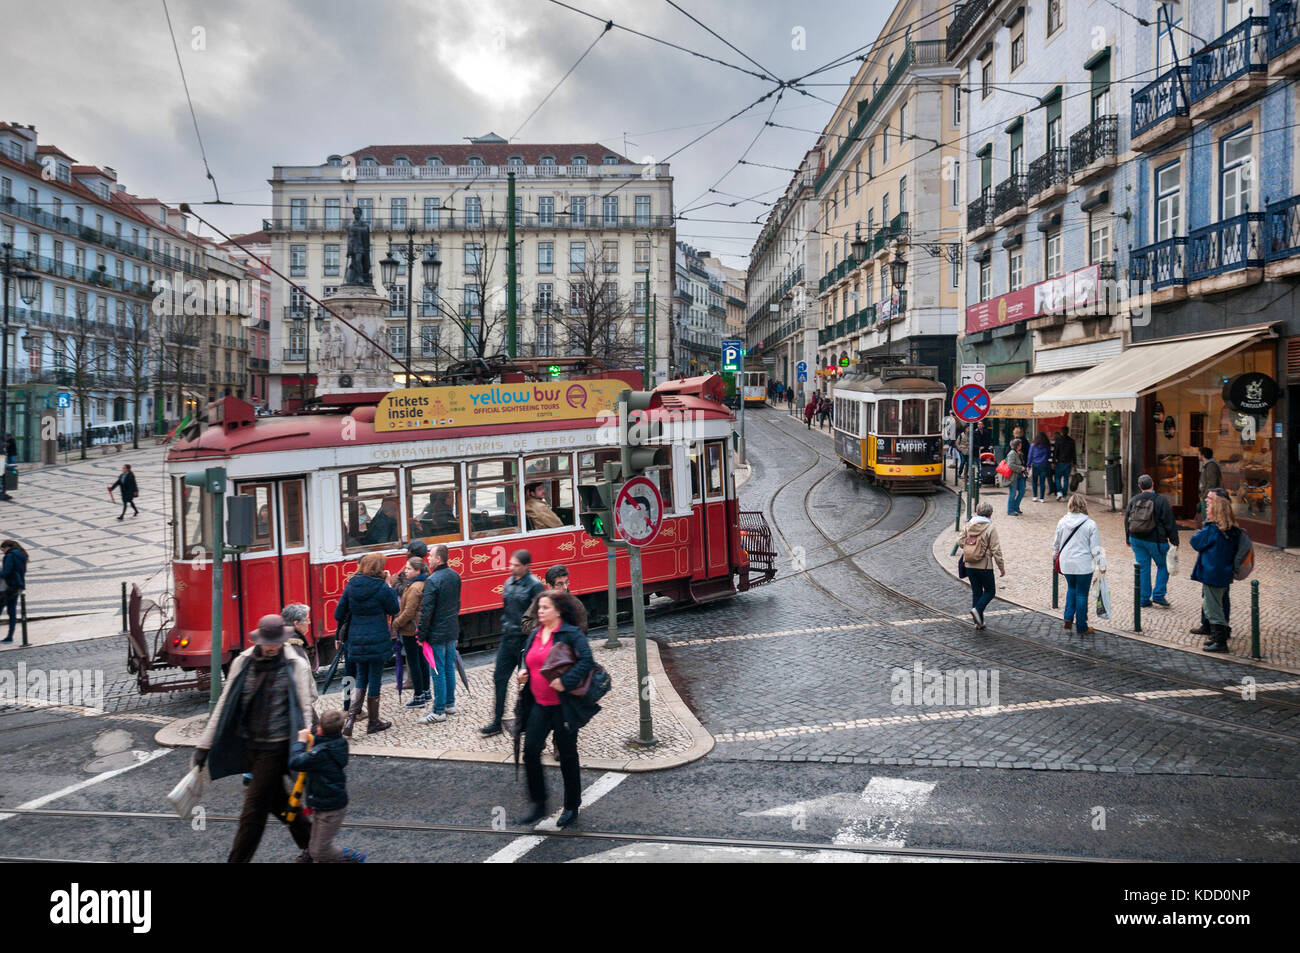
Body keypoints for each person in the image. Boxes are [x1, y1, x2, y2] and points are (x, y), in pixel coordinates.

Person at [192, 614, 318, 863]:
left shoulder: (296, 665)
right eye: (268, 641)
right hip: (251, 747)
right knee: (278, 803)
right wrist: (203, 746)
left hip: (278, 748)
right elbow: (225, 704)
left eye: (276, 641)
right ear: (259, 639)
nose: (272, 646)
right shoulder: (243, 662)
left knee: (252, 813)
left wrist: (305, 744)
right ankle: (316, 848)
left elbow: (305, 708)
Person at [515, 590, 598, 828]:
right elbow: (527, 659)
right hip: (539, 705)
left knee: (567, 755)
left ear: (558, 611)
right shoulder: (535, 634)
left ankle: (572, 805)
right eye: (539, 608)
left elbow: (586, 661)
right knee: (530, 751)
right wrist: (524, 673)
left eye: (545, 608)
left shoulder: (570, 634)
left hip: (563, 706)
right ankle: (539, 803)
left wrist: (566, 681)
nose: (540, 612)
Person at [333, 553, 400, 736]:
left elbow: (339, 613)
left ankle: (350, 721)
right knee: (375, 679)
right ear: (378, 568)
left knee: (361, 677)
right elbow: (394, 609)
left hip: (356, 638)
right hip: (377, 639)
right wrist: (388, 585)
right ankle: (373, 722)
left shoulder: (352, 585)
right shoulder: (381, 587)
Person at [288, 709, 365, 863]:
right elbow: (321, 744)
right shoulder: (338, 743)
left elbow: (295, 762)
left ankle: (351, 856)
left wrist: (301, 742)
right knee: (314, 843)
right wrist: (313, 736)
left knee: (319, 851)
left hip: (329, 809)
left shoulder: (319, 754)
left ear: (320, 729)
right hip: (324, 803)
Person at [483, 550, 545, 736]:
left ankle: (526, 720)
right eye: (511, 564)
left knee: (527, 683)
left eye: (516, 565)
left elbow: (538, 616)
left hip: (524, 640)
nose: (511, 568)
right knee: (499, 679)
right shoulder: (508, 582)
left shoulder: (535, 586)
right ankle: (497, 720)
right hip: (507, 638)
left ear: (526, 566)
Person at [1191, 493, 1242, 653]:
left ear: (1216, 511)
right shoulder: (1233, 530)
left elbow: (1195, 542)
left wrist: (1206, 526)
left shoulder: (1213, 530)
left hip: (1212, 573)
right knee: (1218, 604)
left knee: (1212, 607)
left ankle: (1220, 642)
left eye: (1210, 509)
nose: (1207, 511)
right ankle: (1216, 636)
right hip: (1224, 573)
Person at [416, 543, 461, 723]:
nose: (428, 558)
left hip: (436, 632)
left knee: (437, 670)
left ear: (439, 559)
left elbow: (426, 612)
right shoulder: (455, 576)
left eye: (431, 556)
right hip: (451, 628)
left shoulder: (433, 581)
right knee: (449, 667)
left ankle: (438, 711)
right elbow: (457, 604)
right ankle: (450, 704)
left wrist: (421, 635)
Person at [1054, 493, 1106, 636]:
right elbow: (1096, 548)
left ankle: (1068, 617)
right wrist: (1102, 565)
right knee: (1082, 594)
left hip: (1066, 563)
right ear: (1084, 506)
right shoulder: (1090, 524)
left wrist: (1055, 557)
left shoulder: (1062, 521)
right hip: (1083, 564)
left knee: (1072, 588)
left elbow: (1056, 543)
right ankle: (1082, 626)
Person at [1125, 474, 1178, 609]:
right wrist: (1174, 541)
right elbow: (1169, 522)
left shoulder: (1133, 500)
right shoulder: (1161, 500)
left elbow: (1127, 520)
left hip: (1136, 538)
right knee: (1164, 565)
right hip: (1156, 540)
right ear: (1153, 484)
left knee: (1143, 568)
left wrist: (1128, 538)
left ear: (1139, 487)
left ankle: (1143, 598)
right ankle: (1158, 595)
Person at [958, 501, 1005, 629]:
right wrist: (1001, 567)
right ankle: (977, 610)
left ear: (977, 512)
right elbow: (996, 549)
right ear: (990, 514)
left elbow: (960, 541)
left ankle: (978, 622)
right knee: (990, 591)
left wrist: (970, 547)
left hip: (969, 564)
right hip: (984, 565)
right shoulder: (990, 528)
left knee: (976, 592)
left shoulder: (969, 525)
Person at [392, 556, 430, 707]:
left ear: (417, 571)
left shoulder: (414, 588)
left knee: (414, 663)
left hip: (410, 630)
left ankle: (419, 695)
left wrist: (396, 623)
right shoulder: (420, 584)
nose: (405, 571)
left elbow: (409, 612)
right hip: (416, 628)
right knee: (422, 661)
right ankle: (426, 692)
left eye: (408, 569)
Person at [0, 540, 27, 643]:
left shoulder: (10, 555)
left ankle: (9, 637)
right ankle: (10, 636)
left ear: (7, 547)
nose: (3, 552)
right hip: (18, 586)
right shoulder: (22, 554)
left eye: (2, 549)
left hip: (9, 587)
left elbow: (6, 572)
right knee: (12, 611)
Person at [1197, 447, 1222, 525]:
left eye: (1199, 454)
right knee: (1206, 518)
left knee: (1208, 519)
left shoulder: (1211, 466)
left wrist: (1205, 496)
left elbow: (1212, 483)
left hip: (1209, 497)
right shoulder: (1207, 465)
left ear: (1203, 455)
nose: (1197, 455)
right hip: (1206, 495)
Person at [1051, 428, 1076, 501]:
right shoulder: (1071, 441)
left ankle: (1059, 492)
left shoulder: (1058, 441)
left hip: (1060, 462)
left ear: (1061, 432)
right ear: (1068, 432)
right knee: (1066, 479)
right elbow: (1074, 453)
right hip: (1068, 462)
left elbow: (1055, 452)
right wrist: (1075, 463)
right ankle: (1064, 495)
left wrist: (1053, 462)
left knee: (1057, 478)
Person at [1027, 432, 1052, 503]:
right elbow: (1049, 455)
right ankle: (1042, 498)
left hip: (1035, 464)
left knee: (1034, 481)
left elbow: (1030, 456)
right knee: (1042, 481)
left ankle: (1035, 496)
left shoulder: (1033, 445)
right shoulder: (1046, 446)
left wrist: (1028, 465)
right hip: (1044, 464)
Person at [1004, 438, 1027, 516]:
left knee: (1022, 491)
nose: (1021, 445)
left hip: (1020, 475)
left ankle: (1016, 507)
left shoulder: (1018, 453)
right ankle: (1010, 510)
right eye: (1020, 444)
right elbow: (1010, 465)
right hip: (1013, 477)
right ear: (1017, 445)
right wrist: (1020, 468)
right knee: (1013, 493)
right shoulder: (1012, 453)